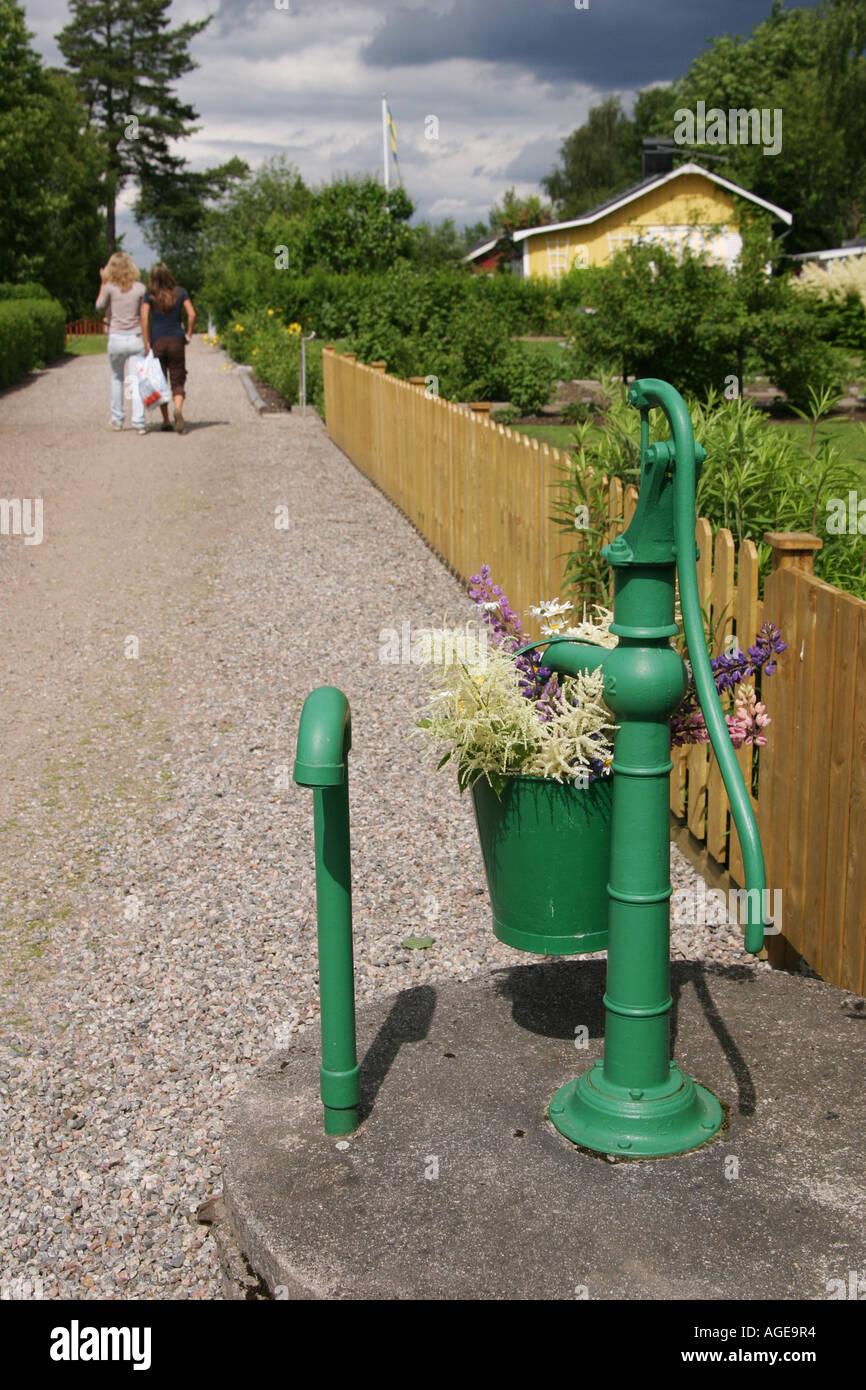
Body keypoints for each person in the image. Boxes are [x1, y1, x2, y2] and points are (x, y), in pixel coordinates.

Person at [95, 253, 147, 434]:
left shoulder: (109, 288)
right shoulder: (140, 288)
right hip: (135, 338)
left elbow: (99, 306)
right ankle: (139, 423)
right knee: (136, 381)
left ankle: (117, 420)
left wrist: (102, 282)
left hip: (116, 337)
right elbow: (145, 314)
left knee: (117, 378)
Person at [141, 264, 196, 435]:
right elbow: (192, 314)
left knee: (160, 381)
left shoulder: (150, 295)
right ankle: (178, 408)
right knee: (178, 379)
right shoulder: (180, 292)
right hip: (177, 341)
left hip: (158, 341)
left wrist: (146, 341)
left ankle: (166, 421)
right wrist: (188, 333)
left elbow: (143, 318)